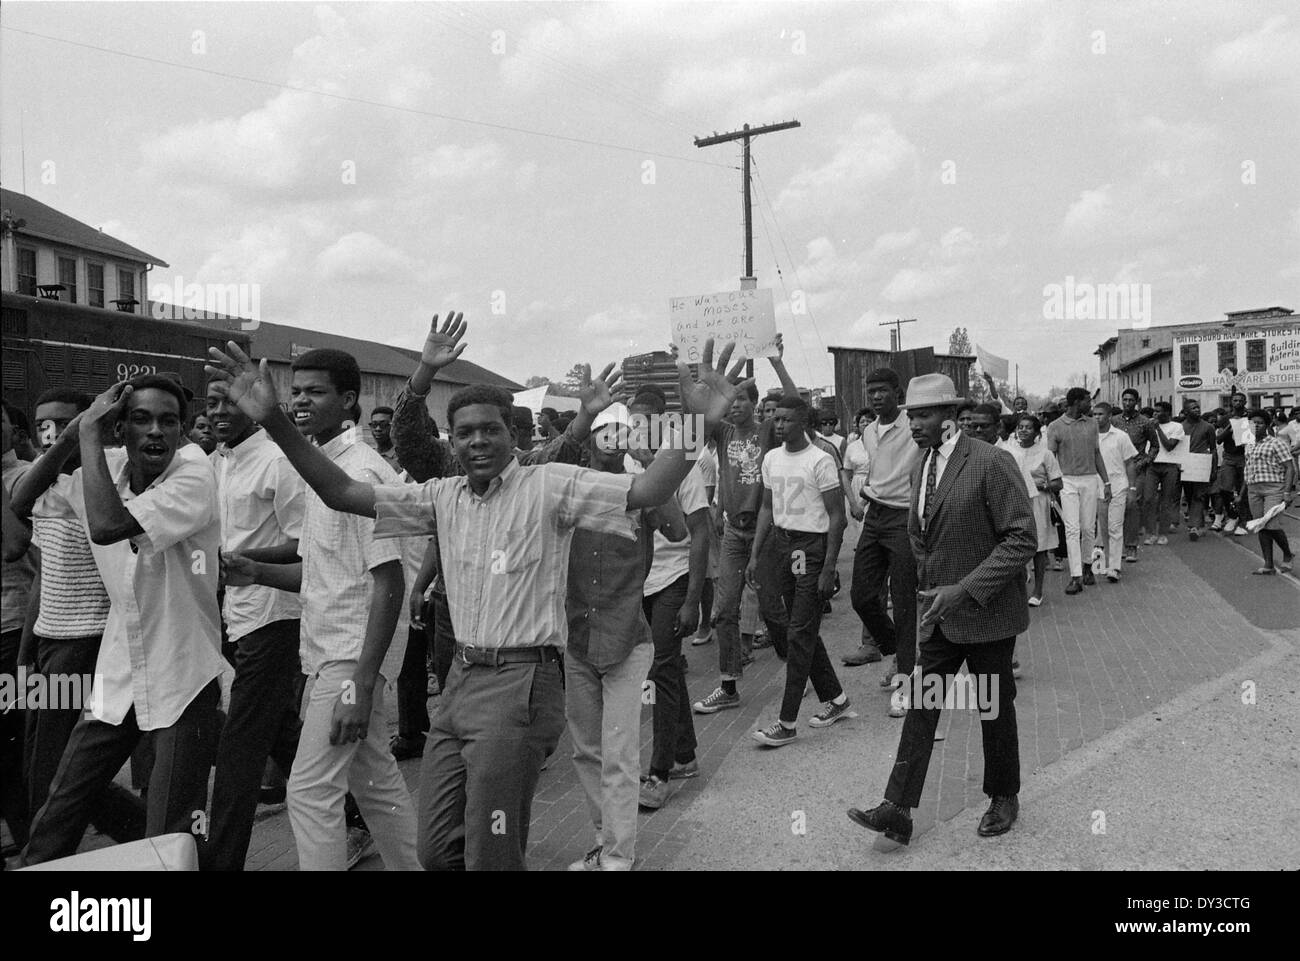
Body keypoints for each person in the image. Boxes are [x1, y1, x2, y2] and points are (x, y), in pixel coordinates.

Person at [206, 319, 743, 871]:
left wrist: (695, 422)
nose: (478, 441)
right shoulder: (440, 496)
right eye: (464, 432)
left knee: (490, 849)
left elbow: (649, 489)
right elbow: (340, 492)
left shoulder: (550, 485)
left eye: (490, 429)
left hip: (522, 681)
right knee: (439, 852)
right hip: (460, 682)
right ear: (452, 441)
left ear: (513, 435)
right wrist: (271, 418)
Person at [216, 347, 420, 872]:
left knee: (308, 790)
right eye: (297, 391)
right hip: (332, 654)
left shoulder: (364, 472)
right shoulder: (322, 467)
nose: (301, 400)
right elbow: (320, 572)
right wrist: (258, 572)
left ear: (349, 400)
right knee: (375, 785)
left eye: (316, 392)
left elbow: (389, 582)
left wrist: (363, 682)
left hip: (350, 661)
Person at [18, 376, 225, 865]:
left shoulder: (193, 474)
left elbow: (109, 527)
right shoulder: (104, 465)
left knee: (170, 837)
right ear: (120, 428)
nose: (156, 431)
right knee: (58, 810)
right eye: (141, 419)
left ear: (182, 431)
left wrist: (89, 438)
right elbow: (21, 500)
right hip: (121, 670)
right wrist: (76, 433)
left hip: (184, 675)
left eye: (169, 421)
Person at [847, 373, 1036, 846]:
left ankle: (1004, 796)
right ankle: (898, 809)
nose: (914, 424)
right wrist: (930, 589)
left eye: (924, 414)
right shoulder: (921, 467)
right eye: (911, 415)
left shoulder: (992, 462)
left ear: (951, 416)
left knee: (993, 707)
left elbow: (1021, 538)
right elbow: (919, 534)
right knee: (923, 704)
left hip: (988, 614)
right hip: (941, 615)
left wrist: (965, 588)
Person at [565, 403, 689, 870]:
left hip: (626, 636)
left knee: (619, 753)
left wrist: (657, 489)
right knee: (585, 749)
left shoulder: (642, 488)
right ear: (591, 437)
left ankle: (619, 856)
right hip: (577, 635)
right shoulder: (570, 488)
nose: (615, 440)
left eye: (623, 432)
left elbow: (678, 530)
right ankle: (603, 840)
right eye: (606, 431)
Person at [200, 376, 311, 871]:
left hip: (274, 614)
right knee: (279, 727)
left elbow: (304, 542)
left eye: (230, 401)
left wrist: (240, 559)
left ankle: (220, 862)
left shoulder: (277, 460)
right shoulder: (213, 462)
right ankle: (356, 812)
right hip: (231, 613)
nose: (220, 411)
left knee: (240, 746)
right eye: (212, 402)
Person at [691, 337, 797, 716]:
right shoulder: (721, 433)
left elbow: (794, 404)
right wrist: (705, 388)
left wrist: (777, 363)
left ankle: (800, 670)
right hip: (733, 533)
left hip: (766, 532)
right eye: (730, 401)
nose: (735, 406)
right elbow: (693, 432)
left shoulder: (767, 430)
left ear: (753, 405)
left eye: (741, 400)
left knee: (773, 609)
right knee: (724, 611)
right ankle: (729, 684)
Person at [747, 396, 851, 746]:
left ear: (803, 421)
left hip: (811, 547)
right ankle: (836, 700)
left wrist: (829, 566)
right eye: (775, 419)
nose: (778, 425)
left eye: (786, 420)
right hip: (783, 544)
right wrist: (755, 554)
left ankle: (787, 723)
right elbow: (766, 507)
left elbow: (838, 516)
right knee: (800, 628)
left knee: (798, 634)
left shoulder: (820, 461)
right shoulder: (772, 458)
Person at [632, 388, 710, 811]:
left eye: (645, 418)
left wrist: (692, 601)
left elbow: (700, 533)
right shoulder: (626, 464)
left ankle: (660, 772)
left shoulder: (685, 467)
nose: (636, 426)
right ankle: (685, 754)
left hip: (674, 579)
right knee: (664, 667)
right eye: (632, 419)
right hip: (641, 580)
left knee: (662, 668)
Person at [845, 369, 923, 714]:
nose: (876, 397)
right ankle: (899, 650)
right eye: (871, 392)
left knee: (903, 601)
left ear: (898, 391)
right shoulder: (867, 431)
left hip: (903, 517)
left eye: (883, 391)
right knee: (861, 596)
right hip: (875, 515)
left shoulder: (913, 426)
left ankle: (906, 682)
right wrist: (865, 492)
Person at [1, 401, 37, 847]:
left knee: (13, 753)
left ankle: (38, 849)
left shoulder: (26, 476)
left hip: (15, 632)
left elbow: (13, 546)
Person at [1045, 387, 1110, 595]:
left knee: (1089, 528)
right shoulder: (1055, 426)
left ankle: (1088, 567)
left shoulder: (1092, 424)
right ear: (1075, 402)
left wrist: (1106, 482)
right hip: (1067, 481)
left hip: (1090, 479)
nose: (1090, 404)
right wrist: (1053, 485)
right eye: (1087, 401)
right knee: (1072, 529)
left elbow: (1097, 453)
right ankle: (1076, 577)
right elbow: (1049, 459)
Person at [999, 414, 1062, 605]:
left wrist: (1041, 486)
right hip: (1014, 501)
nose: (1023, 430)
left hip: (1038, 503)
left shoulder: (1045, 454)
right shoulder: (1009, 450)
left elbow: (1058, 483)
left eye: (1028, 427)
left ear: (1036, 432)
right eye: (1020, 427)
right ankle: (1018, 588)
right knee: (1014, 544)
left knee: (1039, 547)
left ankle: (1038, 591)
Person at [1242, 409, 1296, 574]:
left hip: (1274, 488)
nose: (1256, 426)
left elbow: (1289, 468)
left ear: (1267, 425)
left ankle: (1287, 554)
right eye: (1253, 423)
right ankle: (1268, 564)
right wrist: (1242, 492)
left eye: (1260, 423)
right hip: (1253, 488)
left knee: (1271, 524)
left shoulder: (1276, 442)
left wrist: (1287, 492)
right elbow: (1248, 468)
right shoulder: (1249, 445)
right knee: (1261, 526)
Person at [1094, 402, 1138, 582]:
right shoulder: (1090, 437)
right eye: (1094, 414)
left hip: (1119, 486)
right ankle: (1105, 563)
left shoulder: (1121, 436)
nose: (1097, 417)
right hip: (1097, 487)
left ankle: (1115, 567)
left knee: (1115, 526)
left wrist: (1132, 488)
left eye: (1101, 414)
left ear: (1109, 415)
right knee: (1102, 527)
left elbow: (1129, 463)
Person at [1114, 389, 1154, 562]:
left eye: (1131, 400)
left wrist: (1144, 461)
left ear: (1137, 401)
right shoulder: (1113, 421)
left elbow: (1155, 446)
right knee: (1117, 506)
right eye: (1125, 400)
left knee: (1132, 505)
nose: (1128, 403)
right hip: (1116, 469)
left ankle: (1131, 547)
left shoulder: (1145, 423)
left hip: (1137, 469)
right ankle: (1118, 546)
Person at [1178, 399, 1217, 540]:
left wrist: (1213, 468)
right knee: (1189, 495)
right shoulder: (1180, 427)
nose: (1197, 410)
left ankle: (1193, 526)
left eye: (1197, 407)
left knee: (1199, 495)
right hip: (1186, 465)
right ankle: (1199, 524)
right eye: (1193, 408)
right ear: (1186, 412)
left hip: (1202, 464)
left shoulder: (1208, 427)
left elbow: (1213, 448)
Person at [1145, 401, 1183, 545]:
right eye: (1154, 411)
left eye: (1158, 411)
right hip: (1152, 466)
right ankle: (1150, 533)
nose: (1154, 414)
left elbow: (1169, 446)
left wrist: (1157, 429)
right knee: (1149, 499)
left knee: (1166, 501)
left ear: (1167, 413)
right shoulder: (1149, 425)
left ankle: (1162, 533)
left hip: (1169, 466)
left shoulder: (1176, 427)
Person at [368, 405, 401, 470]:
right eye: (374, 424)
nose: (378, 429)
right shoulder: (368, 455)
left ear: (394, 426)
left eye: (383, 425)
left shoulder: (401, 458)